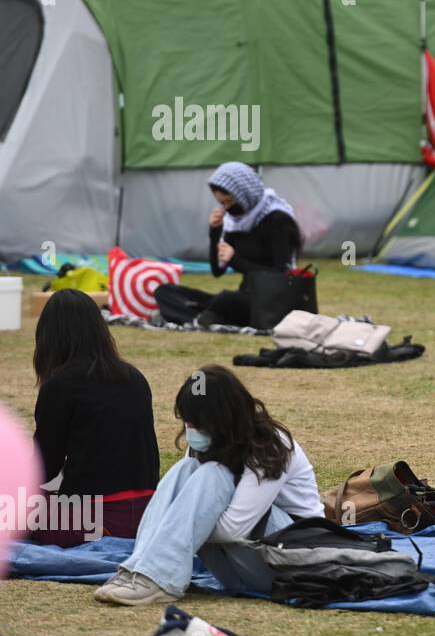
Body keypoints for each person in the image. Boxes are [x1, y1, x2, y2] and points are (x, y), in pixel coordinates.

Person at [93, 365, 324, 606]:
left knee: (213, 473)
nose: (190, 430)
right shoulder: (210, 444)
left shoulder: (271, 444)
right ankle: (139, 570)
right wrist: (178, 526)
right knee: (187, 469)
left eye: (197, 423)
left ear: (221, 419)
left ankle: (157, 577)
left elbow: (233, 529)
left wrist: (177, 527)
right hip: (238, 570)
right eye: (187, 422)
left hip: (292, 563)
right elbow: (184, 506)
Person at [29, 289, 159, 545]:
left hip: (95, 518)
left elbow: (43, 468)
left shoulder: (59, 386)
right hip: (147, 512)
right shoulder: (135, 377)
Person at [154, 162, 303, 327]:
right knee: (165, 291)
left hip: (269, 301)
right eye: (222, 203)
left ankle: (200, 317)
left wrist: (235, 259)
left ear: (244, 194)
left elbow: (281, 275)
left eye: (229, 201)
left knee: (225, 299)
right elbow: (217, 271)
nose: (227, 208)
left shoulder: (277, 220)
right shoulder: (236, 222)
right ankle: (206, 317)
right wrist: (215, 232)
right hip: (243, 297)